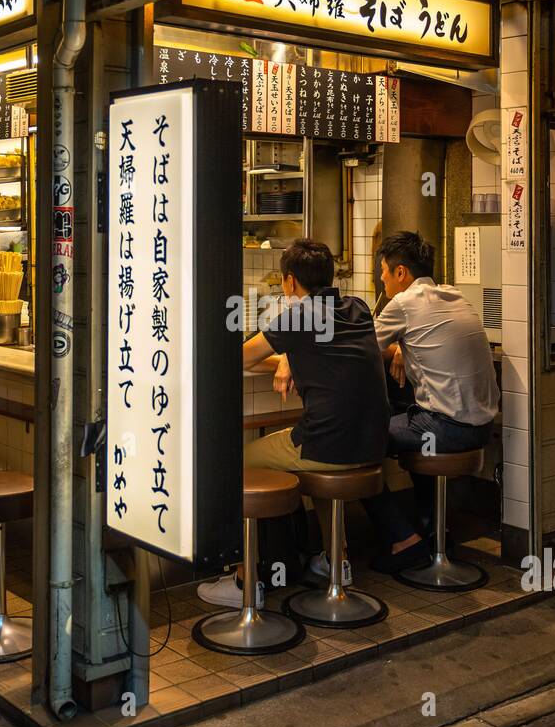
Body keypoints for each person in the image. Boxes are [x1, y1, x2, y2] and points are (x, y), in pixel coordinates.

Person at [197, 239, 390, 608]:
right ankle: (337, 560)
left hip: (327, 444)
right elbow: (318, 351)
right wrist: (287, 358)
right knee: (319, 466)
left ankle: (243, 580)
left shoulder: (299, 316)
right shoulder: (358, 307)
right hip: (371, 445)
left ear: (289, 281)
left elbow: (238, 358)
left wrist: (284, 352)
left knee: (232, 465)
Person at [363, 231, 501, 572]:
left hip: (446, 428)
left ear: (400, 273)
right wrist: (400, 350)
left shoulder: (404, 303)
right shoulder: (455, 295)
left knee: (356, 443)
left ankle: (403, 541)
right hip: (482, 428)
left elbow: (358, 348)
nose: (381, 280)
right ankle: (434, 537)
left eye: (383, 272)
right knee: (413, 425)